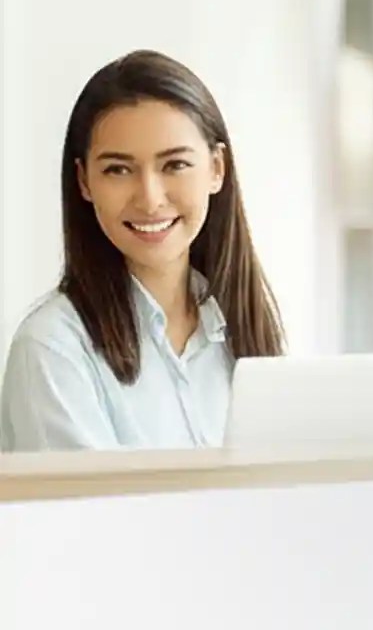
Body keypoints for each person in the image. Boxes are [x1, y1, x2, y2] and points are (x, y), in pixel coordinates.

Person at [0, 50, 285, 451]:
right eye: (118, 169)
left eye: (174, 165)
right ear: (84, 181)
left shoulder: (246, 331)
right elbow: (89, 513)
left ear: (216, 168)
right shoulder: (52, 350)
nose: (150, 200)